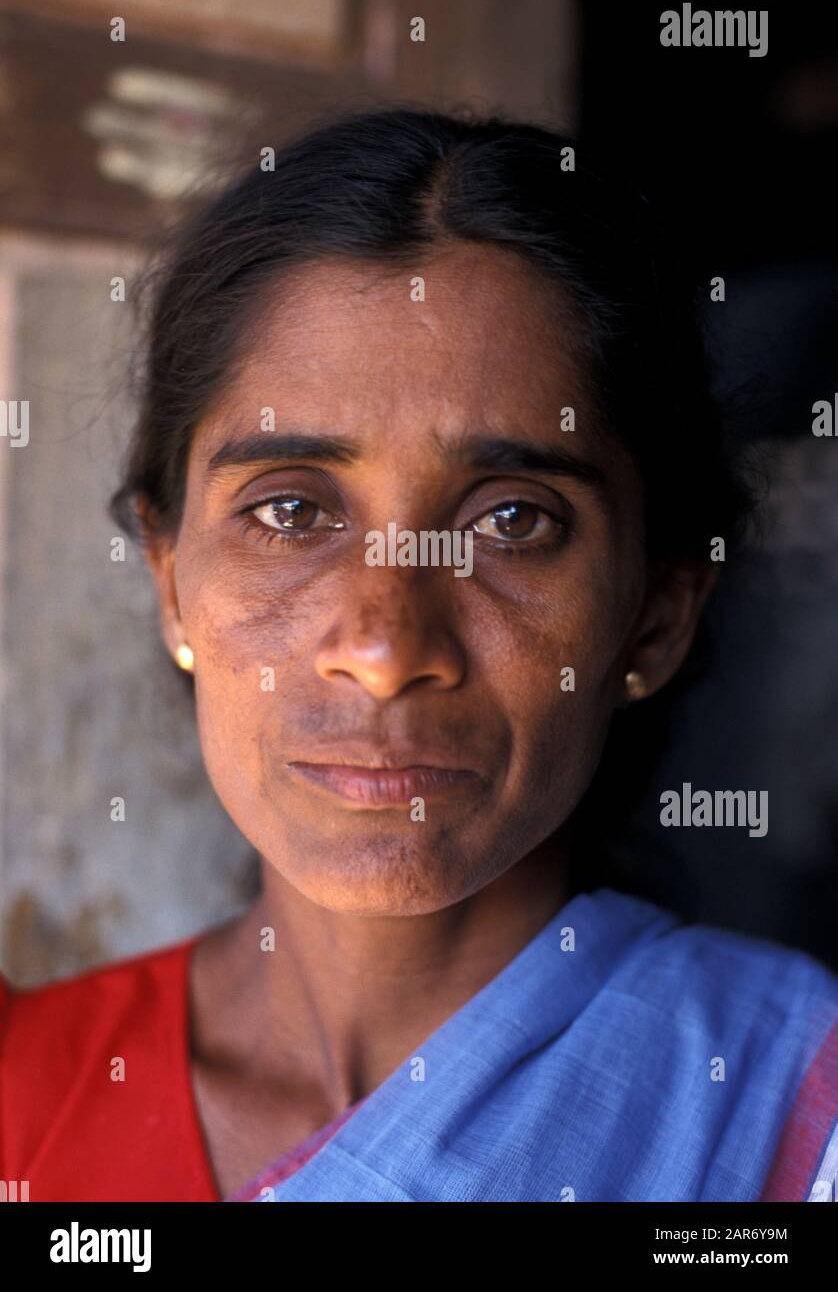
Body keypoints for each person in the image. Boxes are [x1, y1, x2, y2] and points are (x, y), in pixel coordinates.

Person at [1, 108, 835, 1203]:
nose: (386, 648)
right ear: (171, 583)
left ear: (655, 615)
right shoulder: (26, 1098)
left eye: (512, 522)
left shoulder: (787, 1108)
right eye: (291, 508)